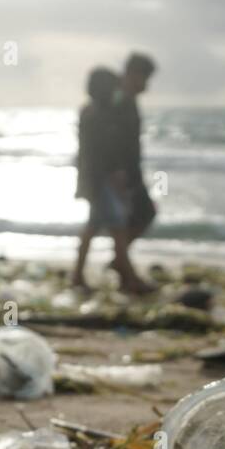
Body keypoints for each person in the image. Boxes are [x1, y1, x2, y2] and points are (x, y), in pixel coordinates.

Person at [73, 52, 158, 293]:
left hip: (107, 174)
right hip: (106, 175)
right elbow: (109, 141)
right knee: (117, 225)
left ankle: (86, 273)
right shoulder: (114, 102)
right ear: (133, 74)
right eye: (144, 78)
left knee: (99, 224)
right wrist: (116, 171)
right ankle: (125, 275)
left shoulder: (114, 101)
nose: (146, 85)